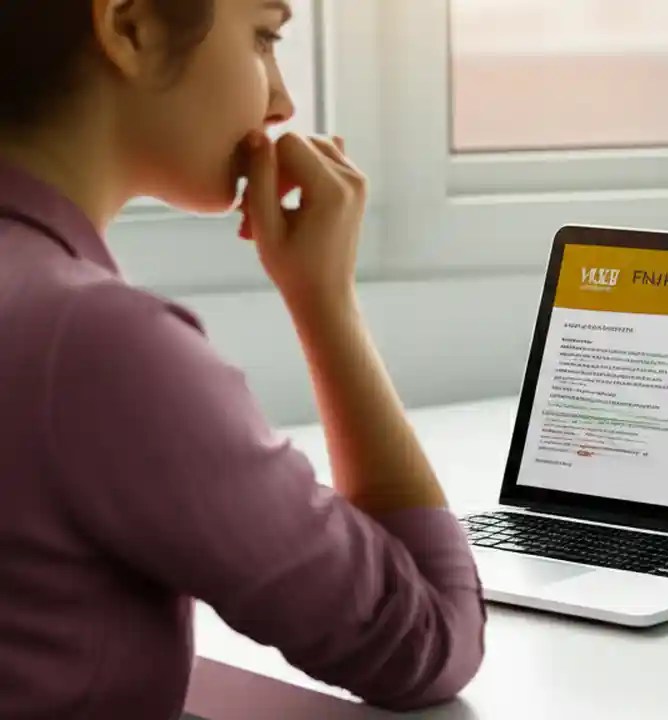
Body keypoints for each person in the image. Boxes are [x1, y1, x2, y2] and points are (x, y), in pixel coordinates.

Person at [0, 0, 486, 717]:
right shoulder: (92, 342)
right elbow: (426, 642)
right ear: (131, 27)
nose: (282, 102)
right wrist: (327, 304)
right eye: (263, 37)